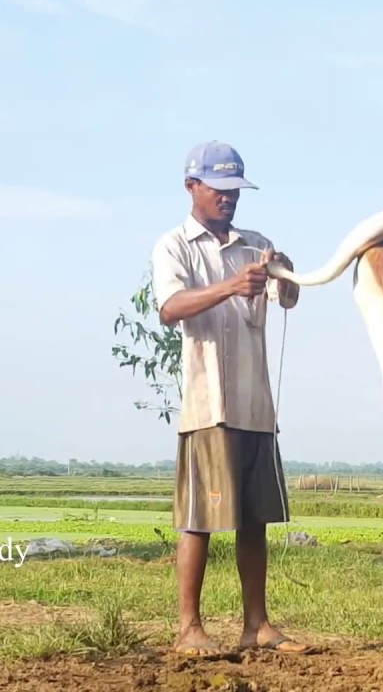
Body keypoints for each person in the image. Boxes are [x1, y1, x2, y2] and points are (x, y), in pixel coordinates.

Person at [150, 140, 309, 657]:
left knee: (254, 520)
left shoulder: (255, 244)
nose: (228, 198)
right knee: (200, 519)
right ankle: (189, 627)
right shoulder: (174, 245)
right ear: (191, 186)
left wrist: (285, 273)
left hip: (255, 405)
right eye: (219, 189)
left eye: (235, 190)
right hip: (209, 404)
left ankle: (256, 625)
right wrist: (231, 285)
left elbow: (288, 297)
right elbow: (171, 307)